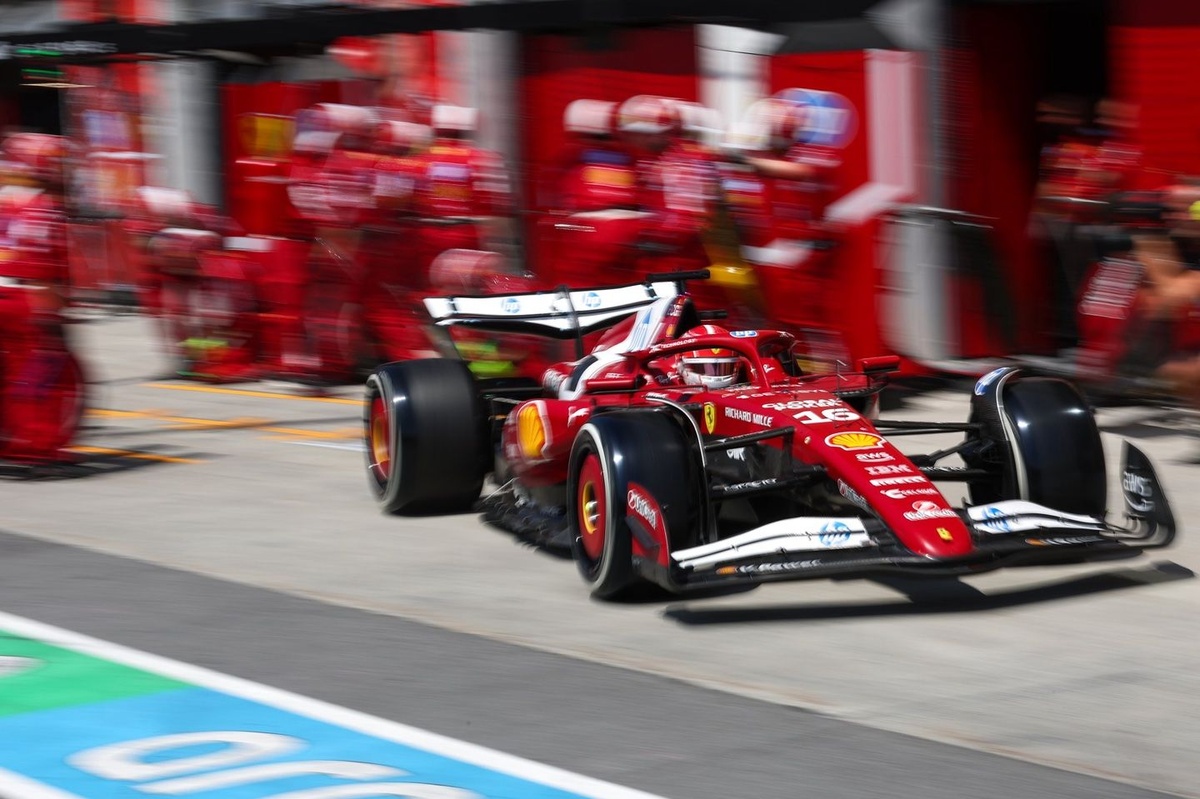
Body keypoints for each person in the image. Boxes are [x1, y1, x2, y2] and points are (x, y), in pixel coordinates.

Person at [0, 133, 86, 464]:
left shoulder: (6, 200)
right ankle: (40, 442)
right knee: (43, 367)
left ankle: (8, 438)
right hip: (26, 298)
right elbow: (45, 263)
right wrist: (55, 309)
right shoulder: (44, 208)